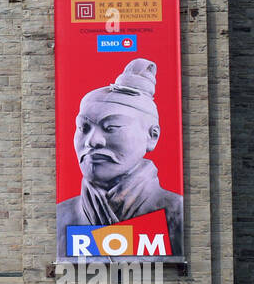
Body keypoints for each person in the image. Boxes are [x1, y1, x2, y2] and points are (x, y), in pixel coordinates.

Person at [56, 58, 184, 258]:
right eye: (84, 128)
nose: (93, 141)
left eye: (111, 128)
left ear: (152, 136)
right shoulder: (60, 216)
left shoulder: (178, 213)